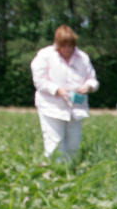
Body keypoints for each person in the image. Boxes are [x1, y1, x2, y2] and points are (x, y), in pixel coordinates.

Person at [30, 25, 99, 162]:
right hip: (51, 107)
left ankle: (70, 174)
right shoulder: (45, 56)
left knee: (73, 145)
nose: (67, 49)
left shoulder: (82, 57)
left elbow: (93, 80)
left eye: (70, 46)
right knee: (54, 144)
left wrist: (88, 87)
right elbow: (39, 80)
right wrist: (57, 90)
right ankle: (54, 175)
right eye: (64, 46)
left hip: (76, 108)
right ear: (57, 44)